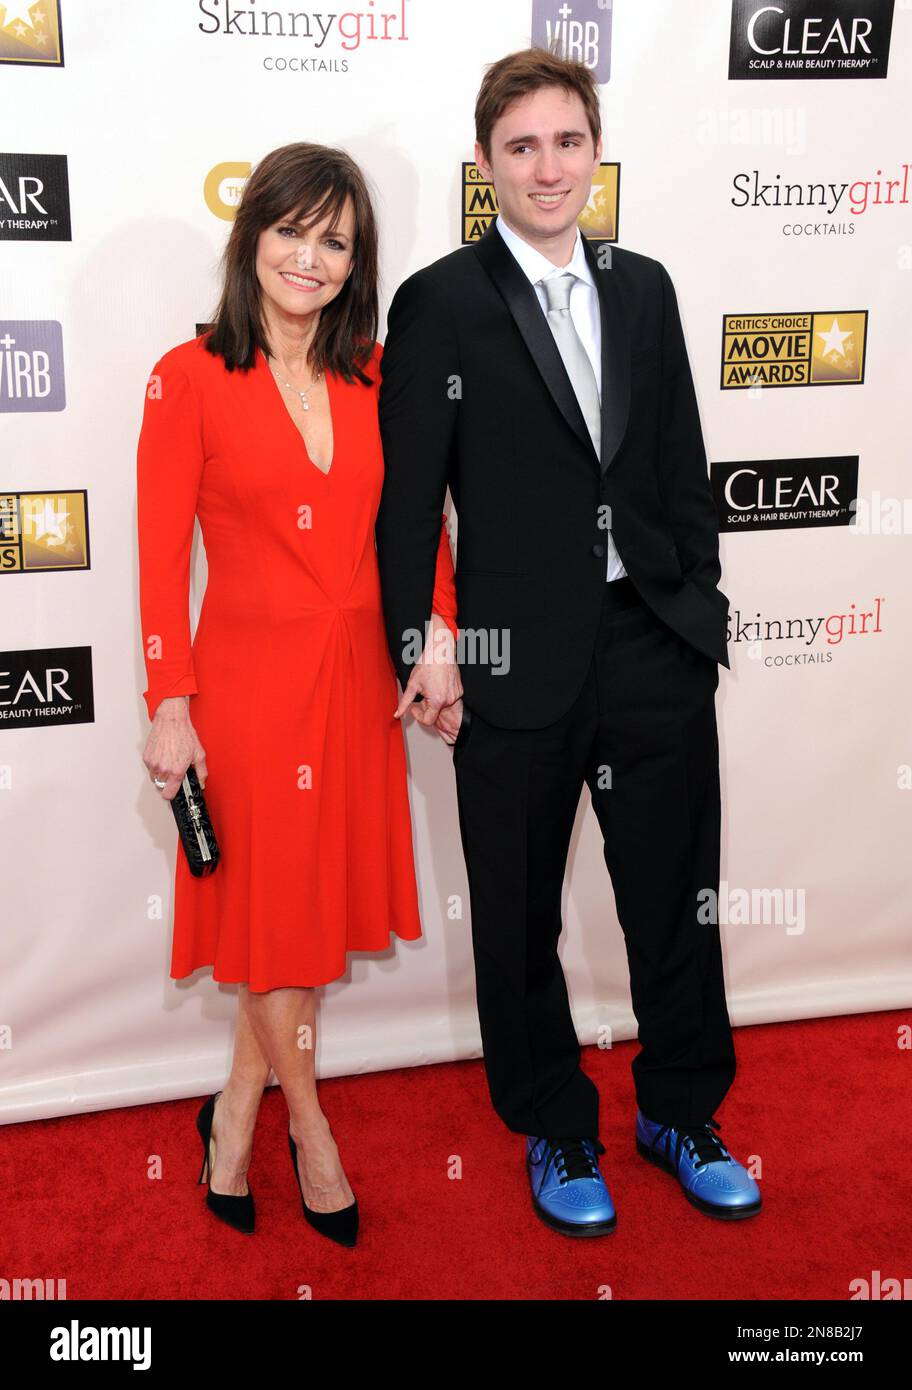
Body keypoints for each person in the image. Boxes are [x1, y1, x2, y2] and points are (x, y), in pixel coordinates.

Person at [375, 47, 762, 1237]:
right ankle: (554, 1125)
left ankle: (680, 1111)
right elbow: (406, 504)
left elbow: (677, 466)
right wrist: (421, 643)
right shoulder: (441, 300)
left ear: (597, 152)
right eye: (522, 147)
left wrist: (693, 602)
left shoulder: (642, 288)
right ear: (485, 165)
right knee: (517, 913)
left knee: (673, 899)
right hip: (508, 655)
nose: (549, 168)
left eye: (568, 142)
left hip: (649, 642)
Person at [137, 142, 457, 1244]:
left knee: (297, 926)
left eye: (334, 239)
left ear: (354, 258)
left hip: (357, 682)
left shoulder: (373, 376)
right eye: (291, 231)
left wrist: (438, 637)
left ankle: (232, 1120)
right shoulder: (188, 377)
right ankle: (310, 1134)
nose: (310, 257)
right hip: (247, 691)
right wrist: (168, 701)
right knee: (276, 928)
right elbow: (153, 555)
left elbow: (413, 532)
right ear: (252, 236)